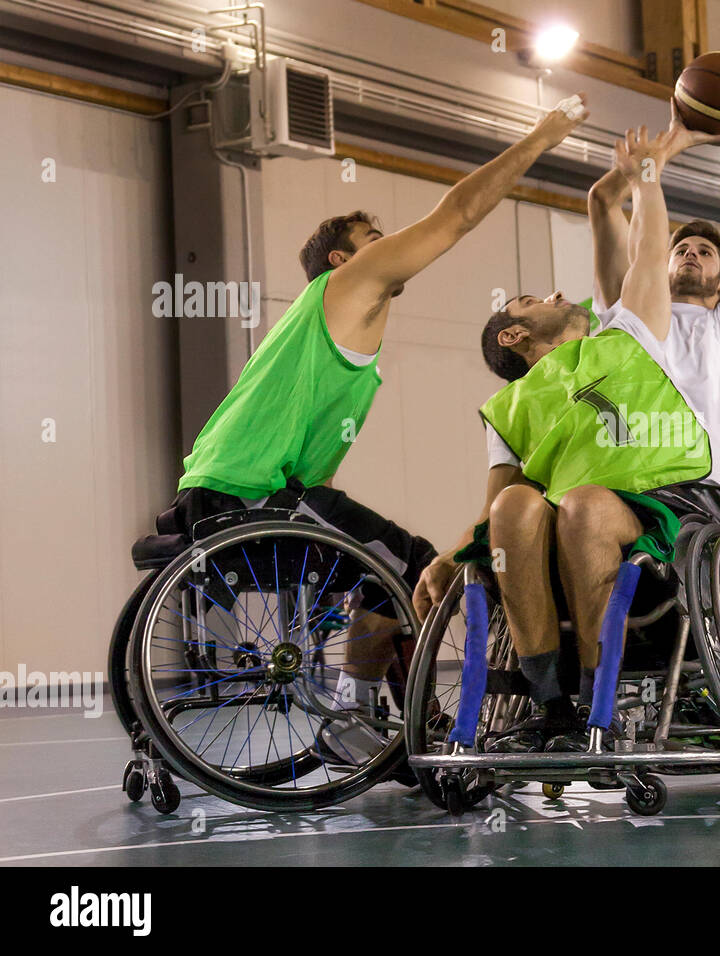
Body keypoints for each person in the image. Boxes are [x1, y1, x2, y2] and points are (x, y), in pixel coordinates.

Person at [154, 94, 592, 761]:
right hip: (243, 496)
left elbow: (320, 480)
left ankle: (389, 718)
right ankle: (349, 715)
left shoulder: (338, 347)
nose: (389, 248)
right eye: (373, 241)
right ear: (343, 262)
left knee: (389, 565)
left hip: (242, 492)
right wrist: (543, 134)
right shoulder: (345, 290)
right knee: (414, 568)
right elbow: (459, 214)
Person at [415, 128, 720, 753]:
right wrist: (449, 558)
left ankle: (598, 703)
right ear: (512, 337)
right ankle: (551, 704)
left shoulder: (626, 337)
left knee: (582, 502)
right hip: (565, 542)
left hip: (663, 512)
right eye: (535, 300)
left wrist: (649, 171)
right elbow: (492, 513)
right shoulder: (509, 407)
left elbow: (644, 257)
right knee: (514, 507)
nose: (559, 295)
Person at [586, 98, 720, 509]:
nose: (690, 254)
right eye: (681, 248)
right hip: (634, 479)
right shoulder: (628, 307)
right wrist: (672, 144)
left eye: (705, 252)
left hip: (711, 485)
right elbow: (601, 200)